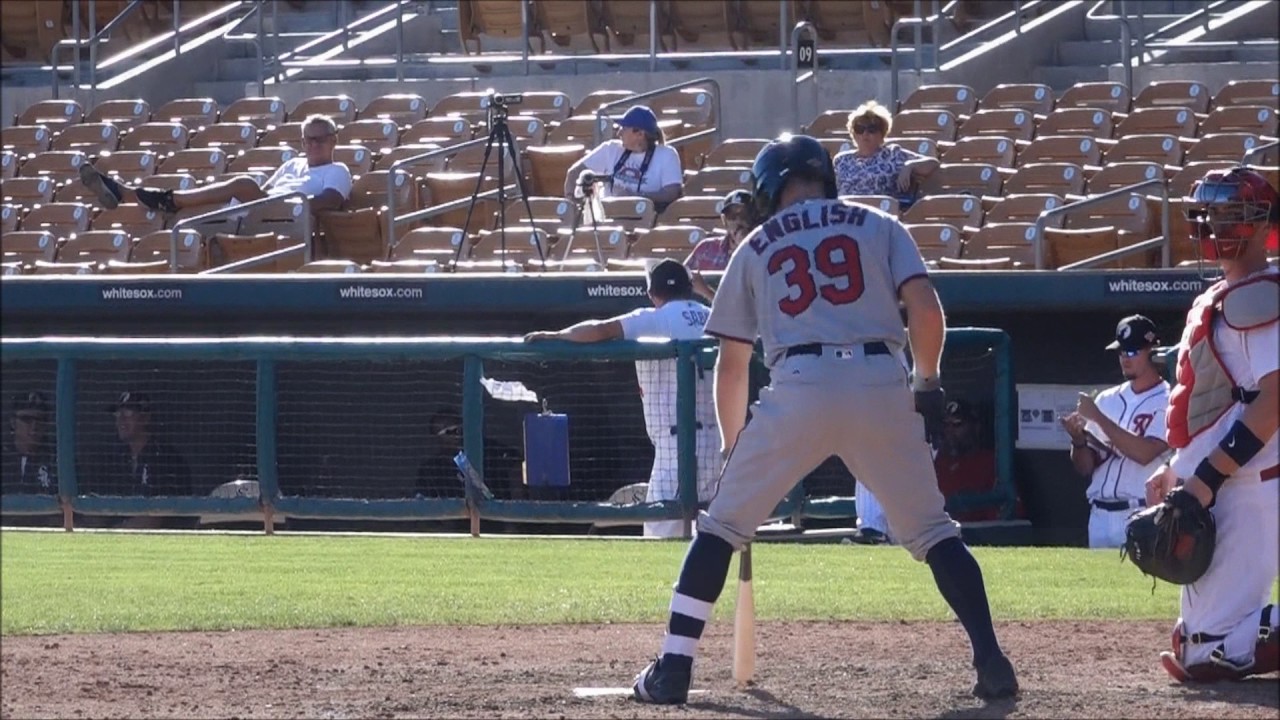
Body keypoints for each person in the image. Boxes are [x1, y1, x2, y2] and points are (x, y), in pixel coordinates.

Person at [630, 134, 1017, 704]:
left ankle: (673, 669)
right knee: (936, 534)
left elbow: (733, 366)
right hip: (882, 379)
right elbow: (927, 309)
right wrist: (927, 381)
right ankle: (991, 659)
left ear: (769, 188)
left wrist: (735, 447)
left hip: (800, 387)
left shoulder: (756, 244)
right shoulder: (881, 224)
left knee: (719, 531)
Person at [1143, 166, 1279, 683]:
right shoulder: (1223, 294)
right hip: (1224, 484)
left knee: (1206, 652)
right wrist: (1178, 467)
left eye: (1230, 214)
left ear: (1261, 222)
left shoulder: (1260, 295)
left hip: (1250, 483)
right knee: (1192, 644)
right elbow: (1214, 398)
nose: (1216, 226)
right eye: (1210, 214)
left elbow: (1271, 400)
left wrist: (1205, 479)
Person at [524, 259, 720, 538]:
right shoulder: (712, 315)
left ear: (653, 294)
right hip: (718, 444)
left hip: (678, 447)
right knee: (714, 537)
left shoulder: (655, 317)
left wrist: (558, 335)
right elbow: (748, 323)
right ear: (690, 289)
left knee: (662, 536)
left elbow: (600, 329)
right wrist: (708, 292)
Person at [78, 114, 352, 216]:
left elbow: (331, 201)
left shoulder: (337, 170)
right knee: (198, 210)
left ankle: (165, 200)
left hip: (289, 214)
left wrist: (292, 206)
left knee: (243, 184)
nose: (313, 145)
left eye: (319, 140)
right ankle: (127, 194)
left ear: (333, 141)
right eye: (308, 140)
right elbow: (265, 190)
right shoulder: (293, 164)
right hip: (263, 208)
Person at [1059, 314, 1171, 548]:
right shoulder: (1107, 398)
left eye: (1131, 352)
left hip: (1141, 511)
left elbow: (1145, 453)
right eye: (1121, 352)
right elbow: (1086, 467)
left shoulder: (1168, 399)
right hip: (1099, 514)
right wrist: (1078, 440)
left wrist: (1098, 418)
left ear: (1152, 351)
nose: (1124, 359)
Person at [562, 105, 683, 212]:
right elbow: (573, 174)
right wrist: (576, 207)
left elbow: (671, 193)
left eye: (624, 129)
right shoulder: (611, 149)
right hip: (606, 216)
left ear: (640, 134)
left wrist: (635, 197)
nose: (618, 133)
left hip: (641, 217)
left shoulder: (667, 155)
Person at [93, 392, 192, 497]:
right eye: (117, 414)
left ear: (145, 418)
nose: (121, 420)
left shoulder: (168, 459)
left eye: (127, 413)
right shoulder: (113, 459)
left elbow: (177, 506)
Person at [833, 100, 938, 198]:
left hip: (878, 213)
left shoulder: (892, 155)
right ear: (853, 133)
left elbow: (933, 163)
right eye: (860, 129)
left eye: (872, 129)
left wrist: (909, 166)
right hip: (844, 214)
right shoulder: (841, 160)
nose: (865, 134)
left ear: (882, 134)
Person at [934, 399, 1002, 523]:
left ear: (976, 427)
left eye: (957, 425)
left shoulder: (991, 463)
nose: (949, 431)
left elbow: (1002, 515)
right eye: (946, 425)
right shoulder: (937, 461)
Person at [685, 189, 755, 302]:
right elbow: (681, 279)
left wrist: (706, 292)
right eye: (732, 216)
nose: (738, 221)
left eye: (744, 215)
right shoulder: (706, 248)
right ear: (724, 220)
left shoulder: (762, 252)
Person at [2, 391, 56, 494]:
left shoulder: (56, 460)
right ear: (13, 422)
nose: (34, 426)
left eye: (39, 420)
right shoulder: (4, 457)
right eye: (27, 419)